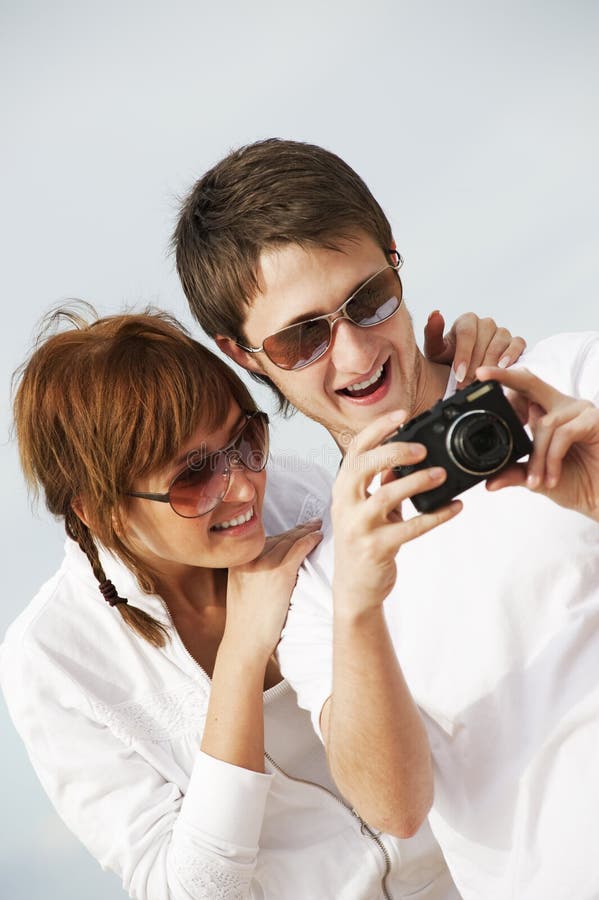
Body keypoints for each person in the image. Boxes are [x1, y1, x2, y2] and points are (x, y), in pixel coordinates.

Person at [172, 138, 599, 900]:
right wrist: (361, 608)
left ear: (395, 260)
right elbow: (396, 809)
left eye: (368, 298)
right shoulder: (315, 587)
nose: (356, 350)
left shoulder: (570, 382)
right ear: (243, 356)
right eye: (302, 337)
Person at [2, 305, 513, 900]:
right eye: (194, 475)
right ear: (97, 510)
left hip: (482, 875)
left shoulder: (303, 499)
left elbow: (456, 614)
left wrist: (447, 385)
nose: (244, 484)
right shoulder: (53, 659)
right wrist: (242, 655)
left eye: (245, 438)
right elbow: (186, 890)